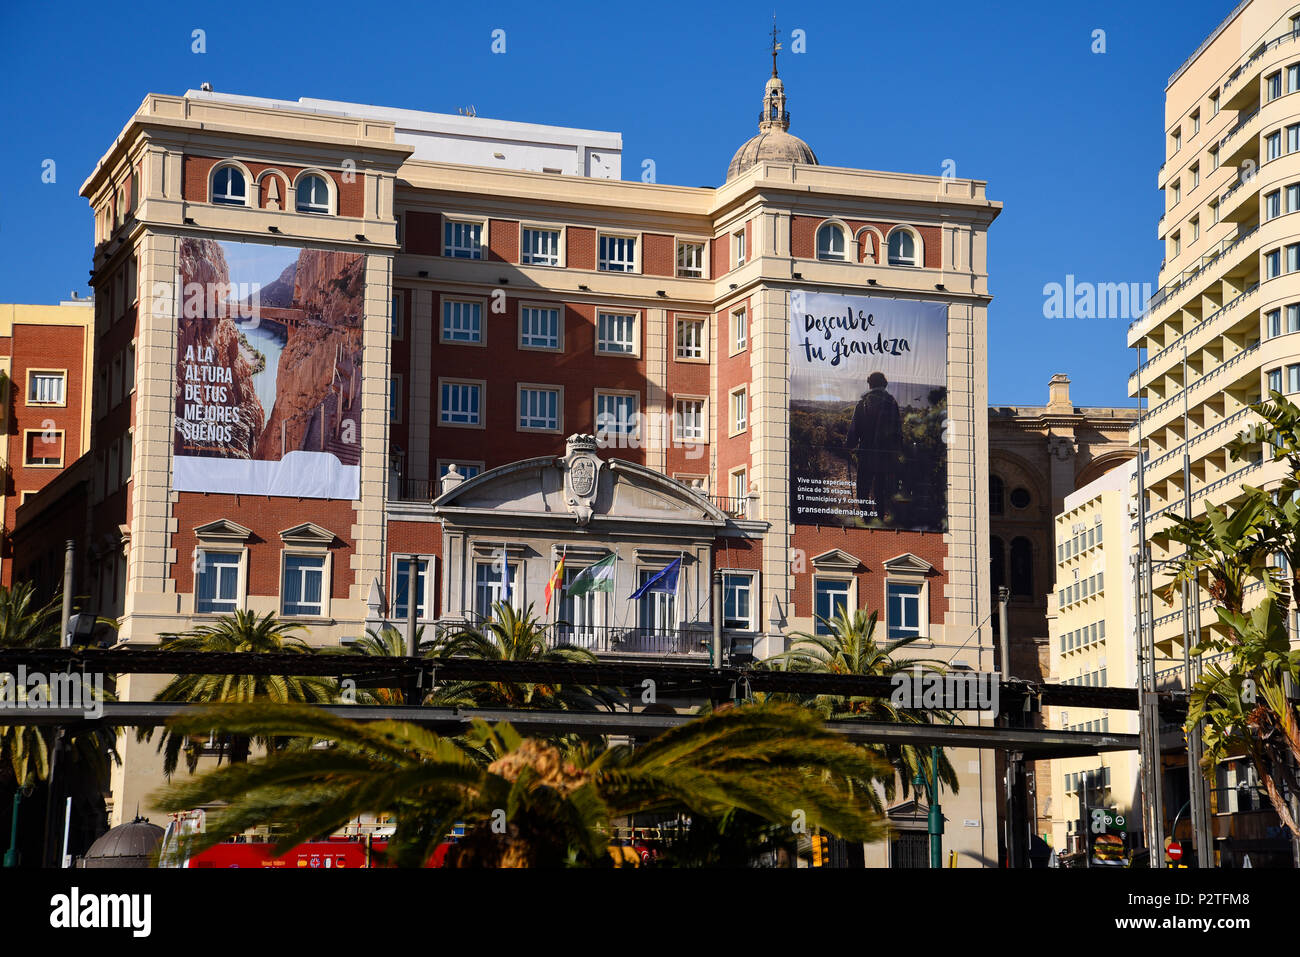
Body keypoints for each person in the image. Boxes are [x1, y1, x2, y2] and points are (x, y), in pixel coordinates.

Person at [845, 371, 902, 514]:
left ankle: (868, 520)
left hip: (866, 455)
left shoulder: (862, 403)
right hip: (885, 457)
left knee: (863, 493)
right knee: (880, 494)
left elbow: (854, 431)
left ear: (869, 384)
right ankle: (879, 522)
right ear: (885, 384)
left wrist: (849, 445)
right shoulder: (892, 403)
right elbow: (898, 432)